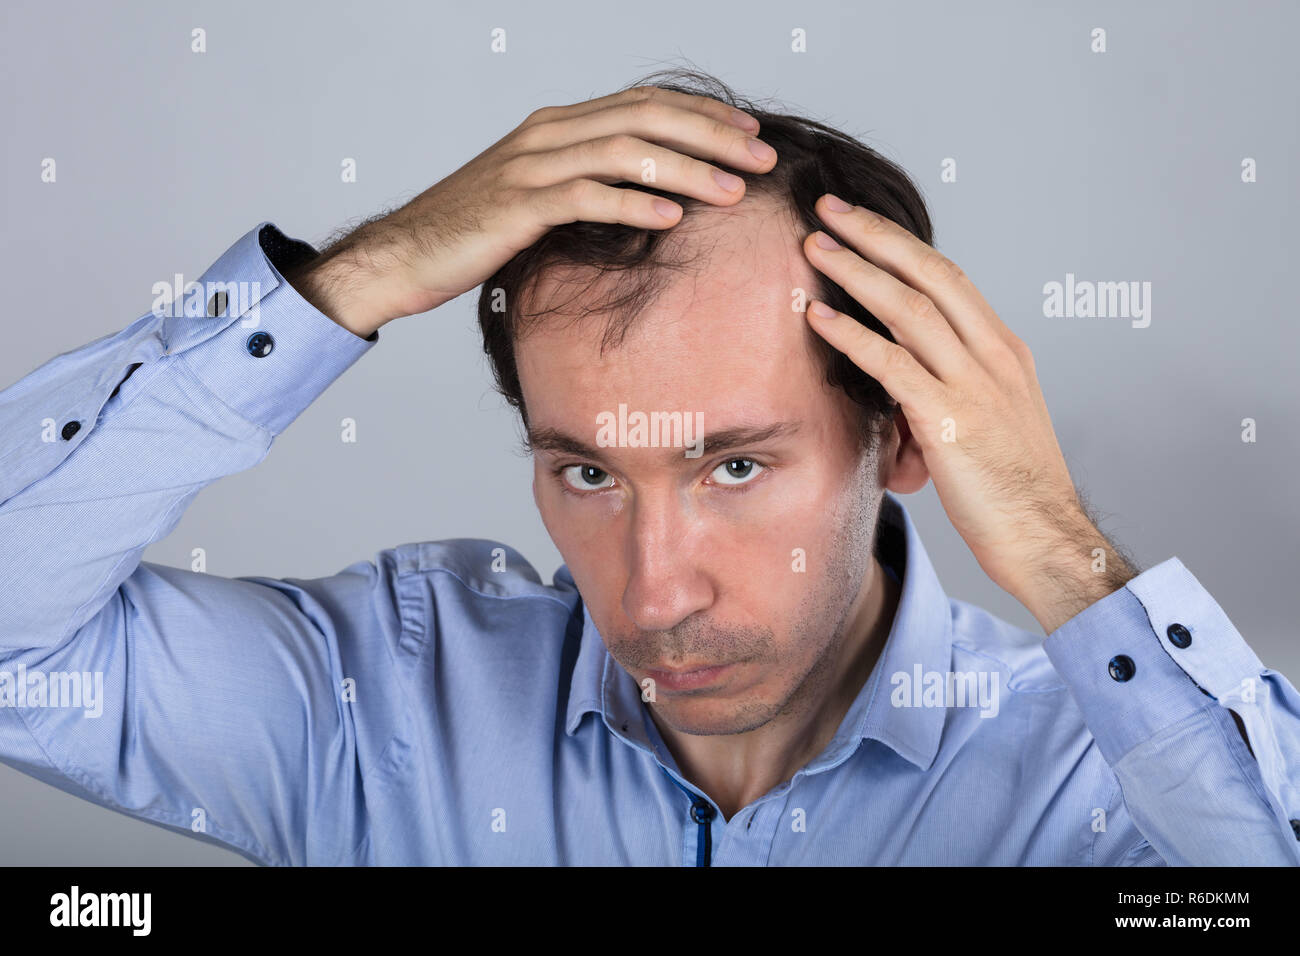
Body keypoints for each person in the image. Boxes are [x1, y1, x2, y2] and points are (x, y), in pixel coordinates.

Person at [1, 69, 1297, 866]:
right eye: (587, 474)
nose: (654, 596)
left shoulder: (1104, 773)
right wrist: (358, 278)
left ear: (901, 434)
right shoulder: (373, 704)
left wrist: (1062, 550)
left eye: (733, 468)